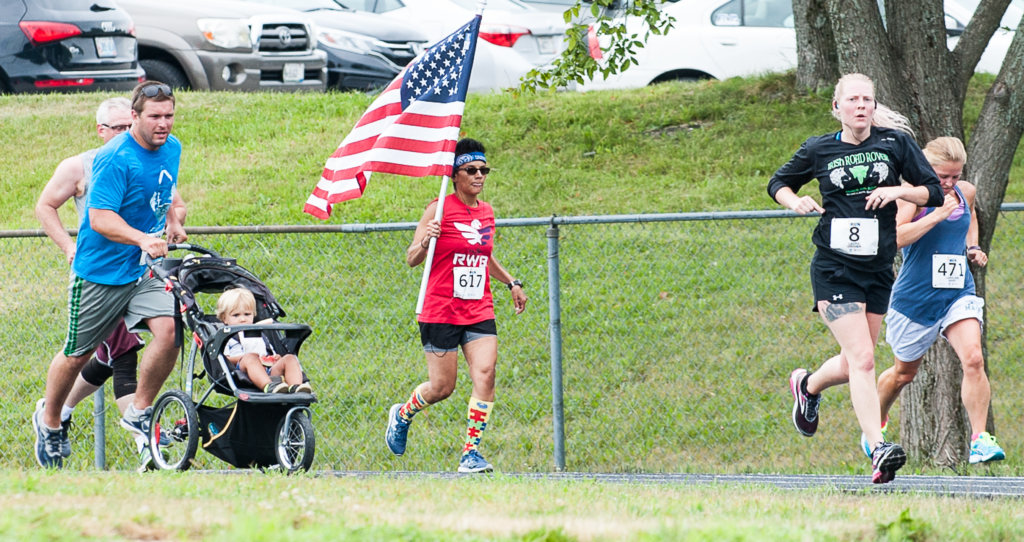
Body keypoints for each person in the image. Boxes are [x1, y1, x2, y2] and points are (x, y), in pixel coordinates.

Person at [767, 73, 944, 484]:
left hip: (878, 267)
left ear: (874, 106)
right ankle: (878, 447)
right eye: (852, 100)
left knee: (852, 364)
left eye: (867, 99)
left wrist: (898, 192)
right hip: (835, 267)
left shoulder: (895, 144)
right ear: (837, 107)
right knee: (864, 358)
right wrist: (794, 201)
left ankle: (808, 386)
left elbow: (933, 191)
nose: (860, 105)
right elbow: (778, 182)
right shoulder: (819, 148)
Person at [33, 81, 187, 469]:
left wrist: (172, 220)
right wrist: (142, 238)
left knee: (171, 330)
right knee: (78, 355)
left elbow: (164, 188)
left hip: (142, 269)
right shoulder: (114, 158)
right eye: (155, 116)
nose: (163, 123)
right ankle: (50, 420)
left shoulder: (172, 148)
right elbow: (100, 218)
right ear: (135, 117)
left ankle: (139, 411)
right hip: (101, 274)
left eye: (169, 115)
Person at [384, 138, 528, 473]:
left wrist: (511, 282)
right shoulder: (438, 209)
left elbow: (483, 255)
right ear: (455, 175)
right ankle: (403, 414)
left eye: (484, 170)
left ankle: (470, 453)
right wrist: (426, 239)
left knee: (486, 373)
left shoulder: (487, 212)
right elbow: (411, 258)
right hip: (440, 311)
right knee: (441, 388)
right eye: (471, 170)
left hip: (478, 308)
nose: (479, 176)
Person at [869, 136, 1005, 464]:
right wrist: (936, 215)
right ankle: (875, 423)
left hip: (957, 292)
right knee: (903, 374)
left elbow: (970, 217)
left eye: (955, 176)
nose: (949, 183)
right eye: (942, 176)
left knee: (974, 358)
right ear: (926, 168)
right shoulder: (912, 198)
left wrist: (973, 247)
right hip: (915, 299)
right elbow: (895, 238)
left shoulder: (965, 192)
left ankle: (980, 439)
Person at [215, 287, 313, 395]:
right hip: (243, 373)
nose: (243, 319)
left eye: (247, 314)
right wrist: (246, 357)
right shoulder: (227, 337)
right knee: (250, 358)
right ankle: (268, 386)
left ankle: (296, 387)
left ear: (253, 314)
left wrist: (275, 358)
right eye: (236, 315)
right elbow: (224, 359)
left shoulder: (260, 334)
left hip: (269, 372)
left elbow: (269, 353)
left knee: (289, 358)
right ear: (224, 318)